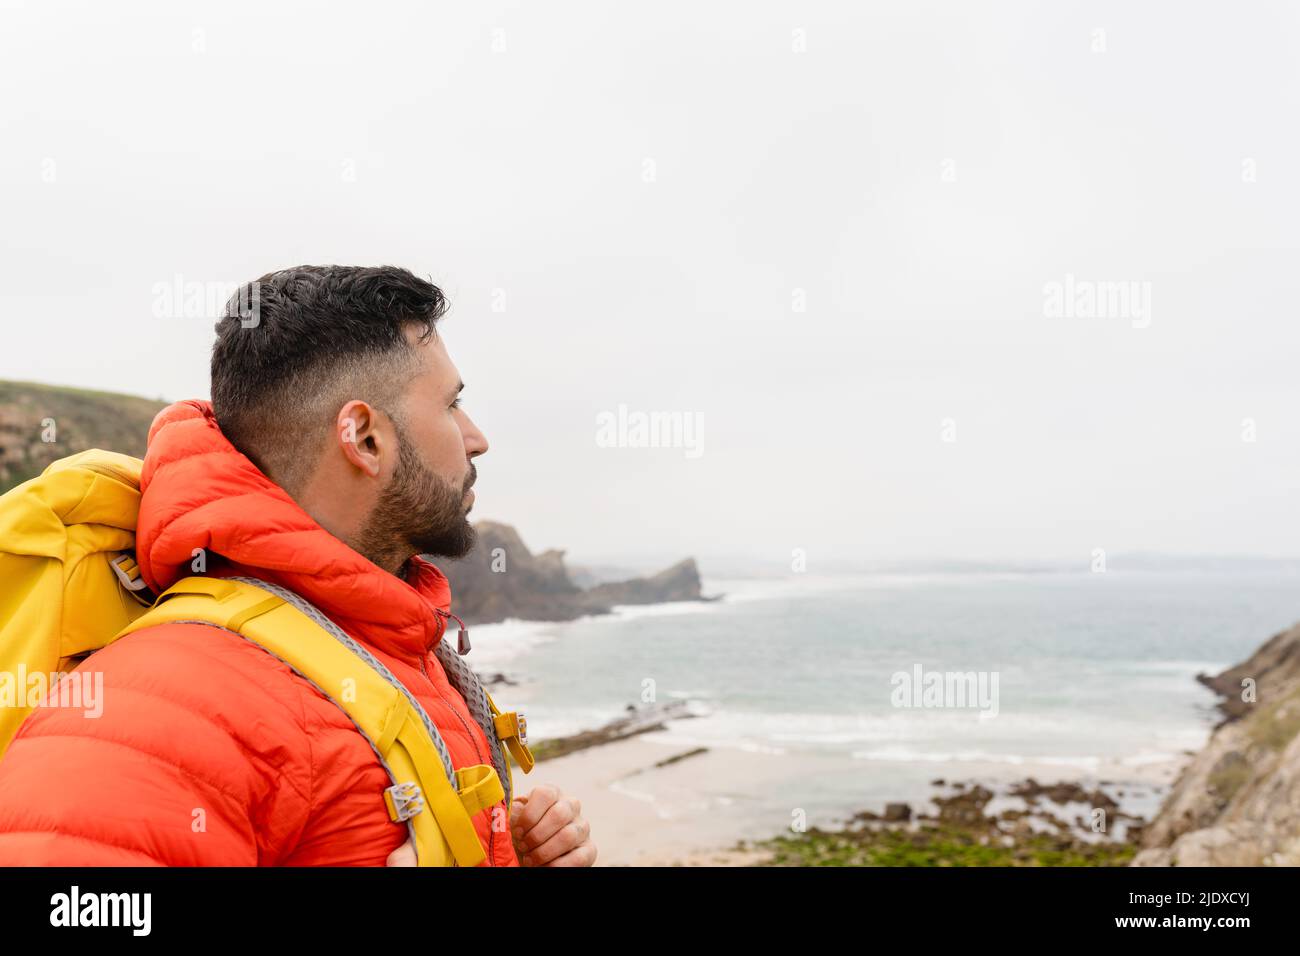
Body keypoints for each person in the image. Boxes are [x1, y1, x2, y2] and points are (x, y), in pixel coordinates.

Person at [0, 264, 595, 867]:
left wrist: (508, 855)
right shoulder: (168, 708)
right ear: (364, 438)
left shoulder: (390, 642)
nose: (476, 438)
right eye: (452, 405)